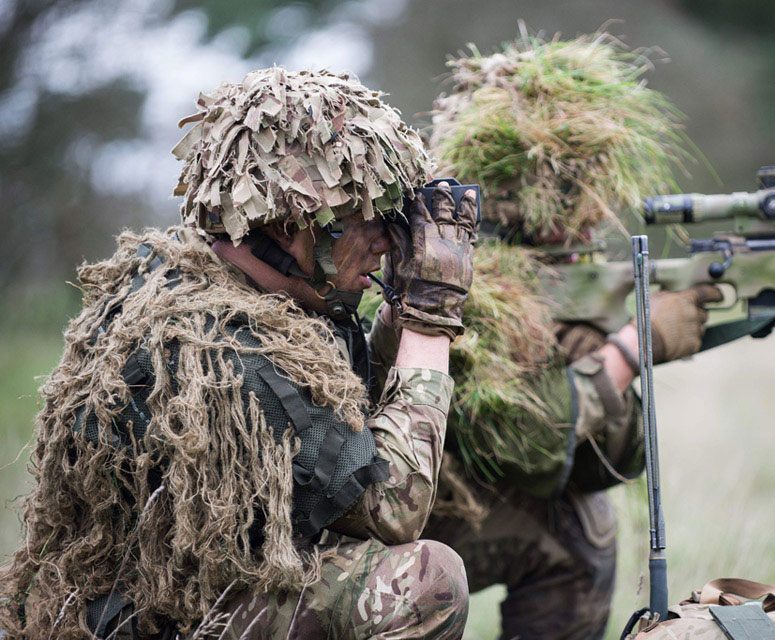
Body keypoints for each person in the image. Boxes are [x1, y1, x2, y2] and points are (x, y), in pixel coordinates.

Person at [0, 67, 477, 640]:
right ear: (285, 226)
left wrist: (402, 303)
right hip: (159, 617)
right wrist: (431, 313)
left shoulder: (228, 284)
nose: (387, 237)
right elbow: (393, 502)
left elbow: (348, 427)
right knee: (425, 582)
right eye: (364, 217)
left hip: (201, 582)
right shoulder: (225, 348)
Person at [365, 34, 722, 639]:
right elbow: (529, 446)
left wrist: (587, 346)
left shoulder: (542, 278)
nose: (586, 217)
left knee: (584, 513)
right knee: (582, 533)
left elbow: (610, 460)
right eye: (568, 190)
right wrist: (636, 348)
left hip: (406, 504)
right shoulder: (459, 276)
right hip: (376, 518)